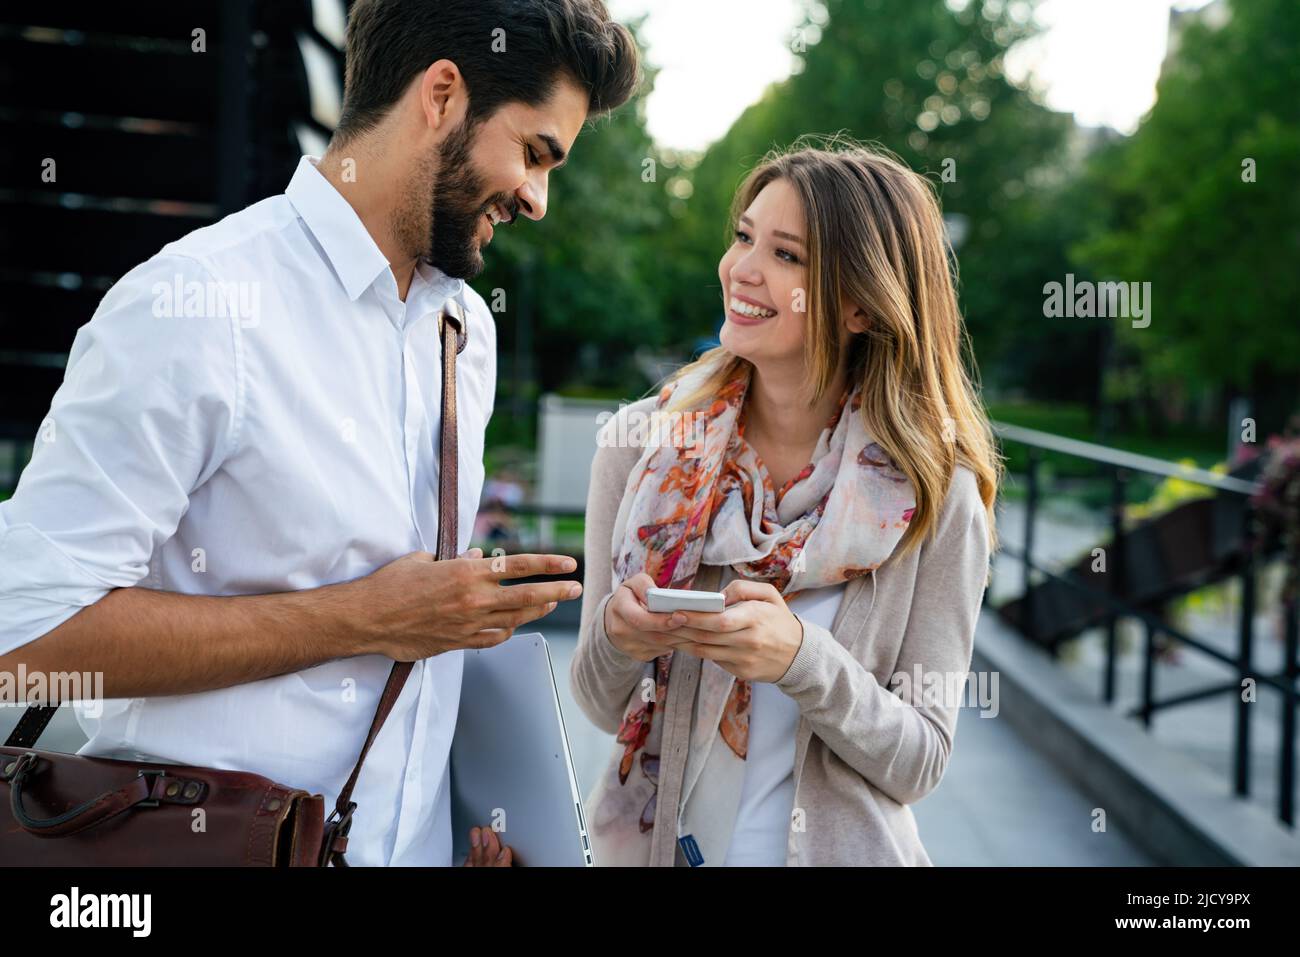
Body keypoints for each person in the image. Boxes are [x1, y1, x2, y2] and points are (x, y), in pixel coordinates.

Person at [0, 0, 638, 867]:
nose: (538, 197)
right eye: (534, 152)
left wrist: (466, 833)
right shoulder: (198, 304)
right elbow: (22, 644)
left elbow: (411, 659)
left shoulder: (464, 331)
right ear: (442, 95)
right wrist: (358, 619)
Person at [570, 138, 1000, 866]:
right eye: (744, 237)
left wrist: (802, 659)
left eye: (786, 255)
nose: (740, 268)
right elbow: (599, 699)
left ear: (861, 304)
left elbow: (921, 758)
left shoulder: (935, 495)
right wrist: (621, 638)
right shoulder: (638, 447)